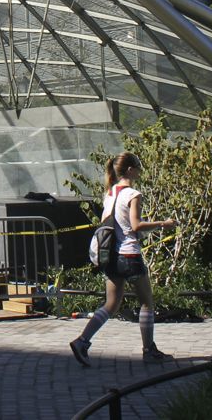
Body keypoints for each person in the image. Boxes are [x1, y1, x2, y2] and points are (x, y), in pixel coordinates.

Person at [69, 151, 178, 366]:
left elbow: (106, 223)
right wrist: (163, 223)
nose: (140, 170)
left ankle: (82, 341)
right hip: (130, 254)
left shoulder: (109, 194)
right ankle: (149, 351)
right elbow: (136, 226)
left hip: (111, 256)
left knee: (111, 303)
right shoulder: (133, 194)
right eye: (138, 166)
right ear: (130, 170)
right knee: (147, 303)